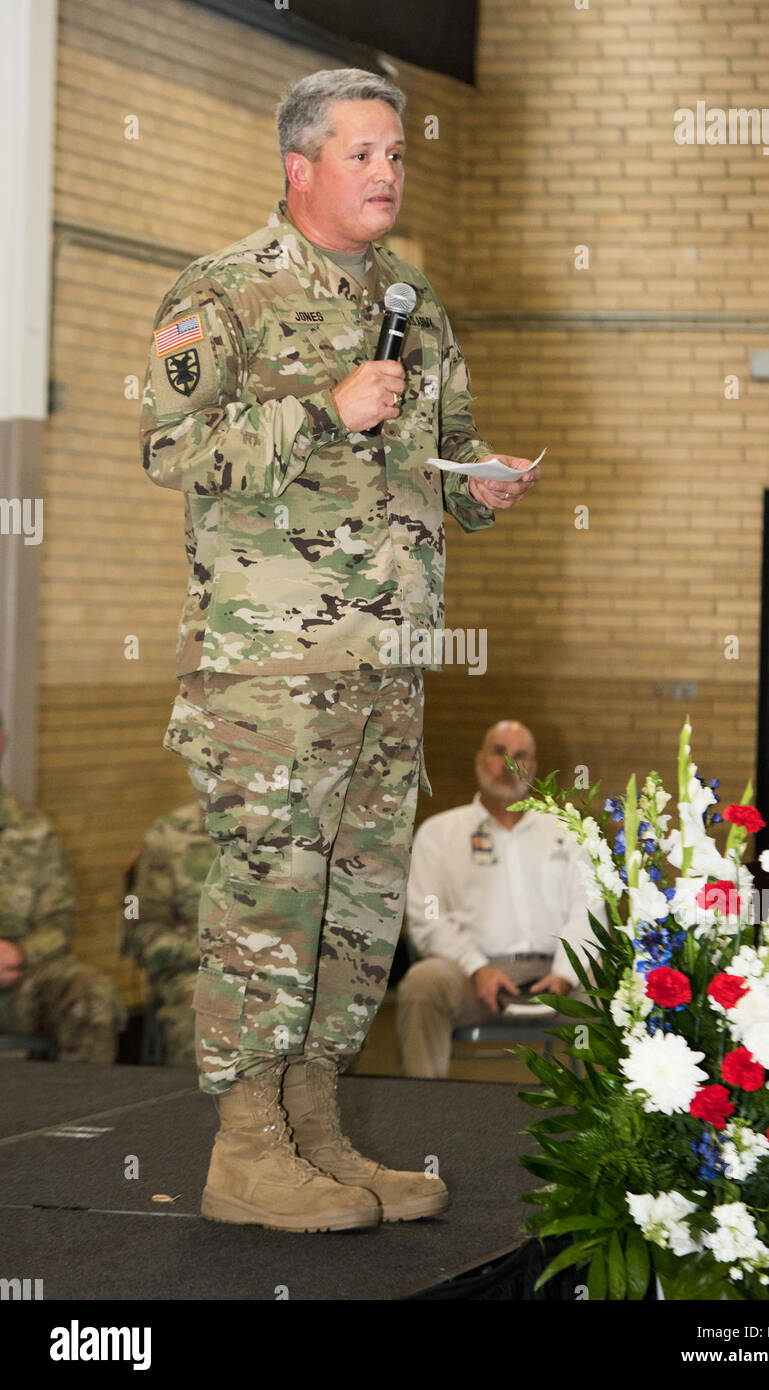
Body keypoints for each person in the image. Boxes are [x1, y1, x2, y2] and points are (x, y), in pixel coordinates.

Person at [140, 68, 539, 1233]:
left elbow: (440, 455)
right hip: (268, 674)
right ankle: (246, 1150)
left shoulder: (415, 302)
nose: (387, 173)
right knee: (271, 902)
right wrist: (323, 406)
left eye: (397, 154)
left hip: (386, 665)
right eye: (361, 153)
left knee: (356, 914)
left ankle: (314, 1131)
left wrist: (482, 487)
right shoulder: (224, 290)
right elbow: (172, 450)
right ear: (298, 167)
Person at [397, 721, 604, 1078]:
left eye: (520, 755)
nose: (509, 765)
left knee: (609, 990)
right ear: (480, 761)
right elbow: (427, 916)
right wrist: (477, 967)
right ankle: (422, 1108)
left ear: (534, 767)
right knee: (421, 984)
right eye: (499, 753)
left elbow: (589, 911)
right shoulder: (439, 833)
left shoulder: (568, 830)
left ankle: (600, 1117)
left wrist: (565, 975)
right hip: (468, 974)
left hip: (558, 971)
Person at [0, 715, 126, 1062]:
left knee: (89, 994)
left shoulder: (33, 833)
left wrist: (20, 954)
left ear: (1, 743)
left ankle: (87, 1112)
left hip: (14, 986)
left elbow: (60, 923)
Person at [124, 801, 217, 1065]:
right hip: (194, 970)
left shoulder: (286, 827)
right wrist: (212, 950)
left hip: (275, 968)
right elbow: (136, 923)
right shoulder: (167, 834)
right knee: (204, 1009)